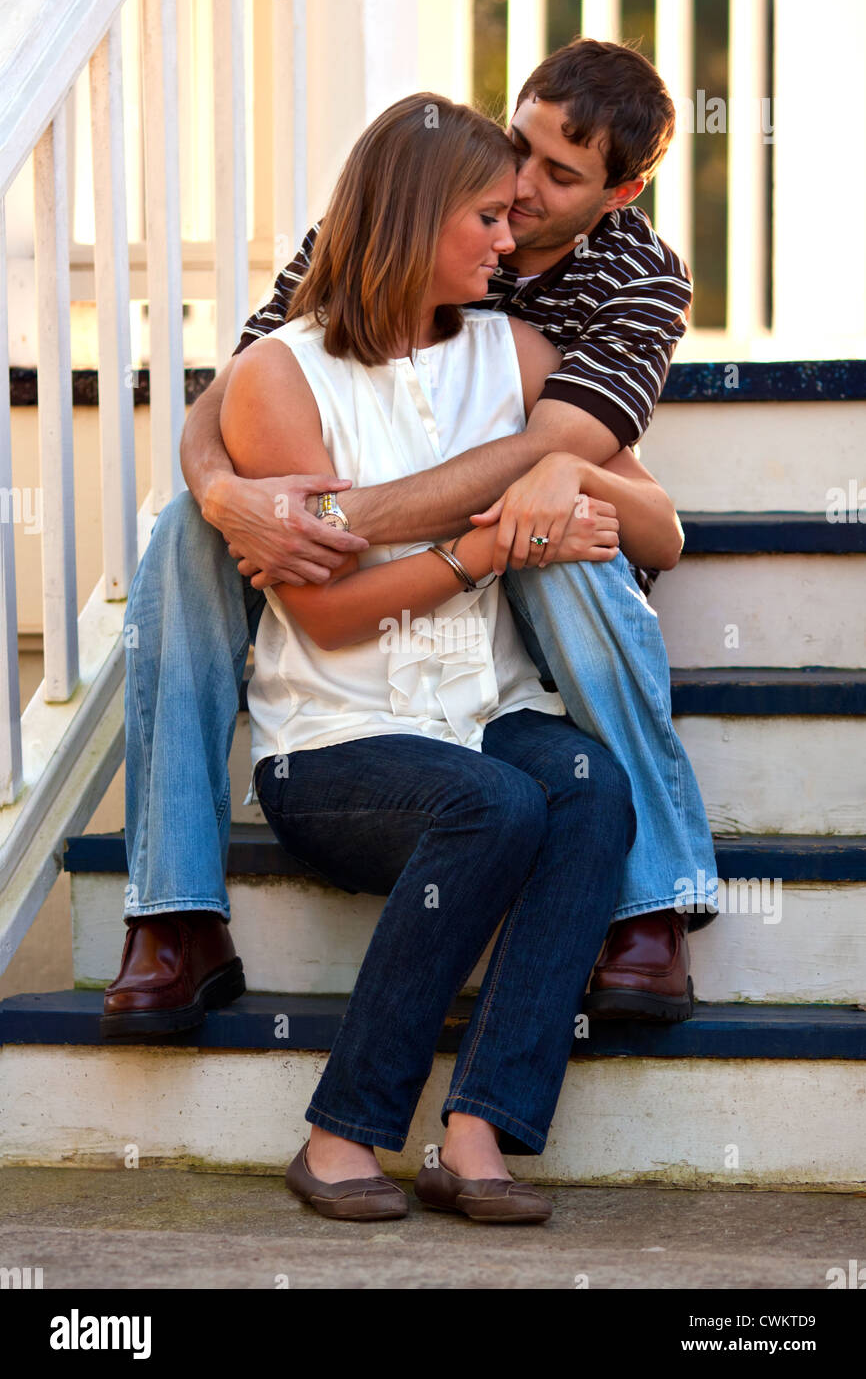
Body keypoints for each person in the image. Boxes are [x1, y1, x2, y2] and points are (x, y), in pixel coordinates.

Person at [102, 36, 717, 1051]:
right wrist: (228, 494)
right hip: (408, 567)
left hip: (542, 551)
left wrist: (338, 522)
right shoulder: (405, 207)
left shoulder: (637, 278)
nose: (516, 189)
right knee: (185, 530)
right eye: (516, 147)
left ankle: (648, 898)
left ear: (621, 191)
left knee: (540, 514)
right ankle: (173, 913)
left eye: (557, 175)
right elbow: (240, 384)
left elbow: (552, 449)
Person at [216, 93, 638, 1222]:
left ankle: (477, 1129)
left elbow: (654, 519)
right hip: (336, 746)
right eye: (488, 219)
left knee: (592, 791)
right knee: (495, 805)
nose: (510, 244)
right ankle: (339, 1132)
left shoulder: (514, 354)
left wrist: (569, 478)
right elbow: (330, 616)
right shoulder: (280, 378)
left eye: (513, 217)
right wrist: (478, 547)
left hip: (480, 713)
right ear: (413, 217)